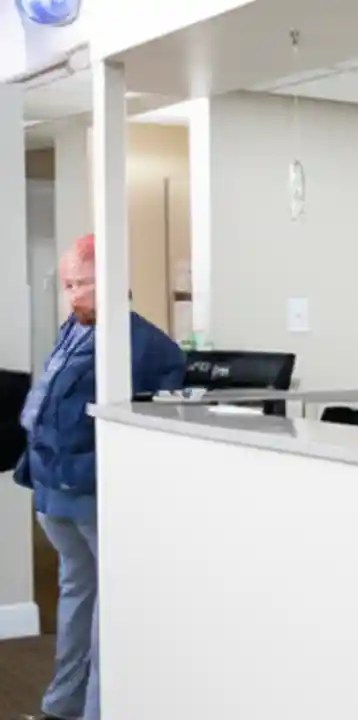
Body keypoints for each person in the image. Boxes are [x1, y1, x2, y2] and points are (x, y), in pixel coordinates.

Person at [13, 234, 186, 720]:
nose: (74, 295)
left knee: (105, 611)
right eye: (68, 284)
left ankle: (95, 711)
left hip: (90, 490)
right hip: (53, 491)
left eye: (84, 284)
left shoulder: (140, 342)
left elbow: (158, 409)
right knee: (77, 596)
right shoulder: (73, 330)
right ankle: (62, 706)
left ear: (111, 283)